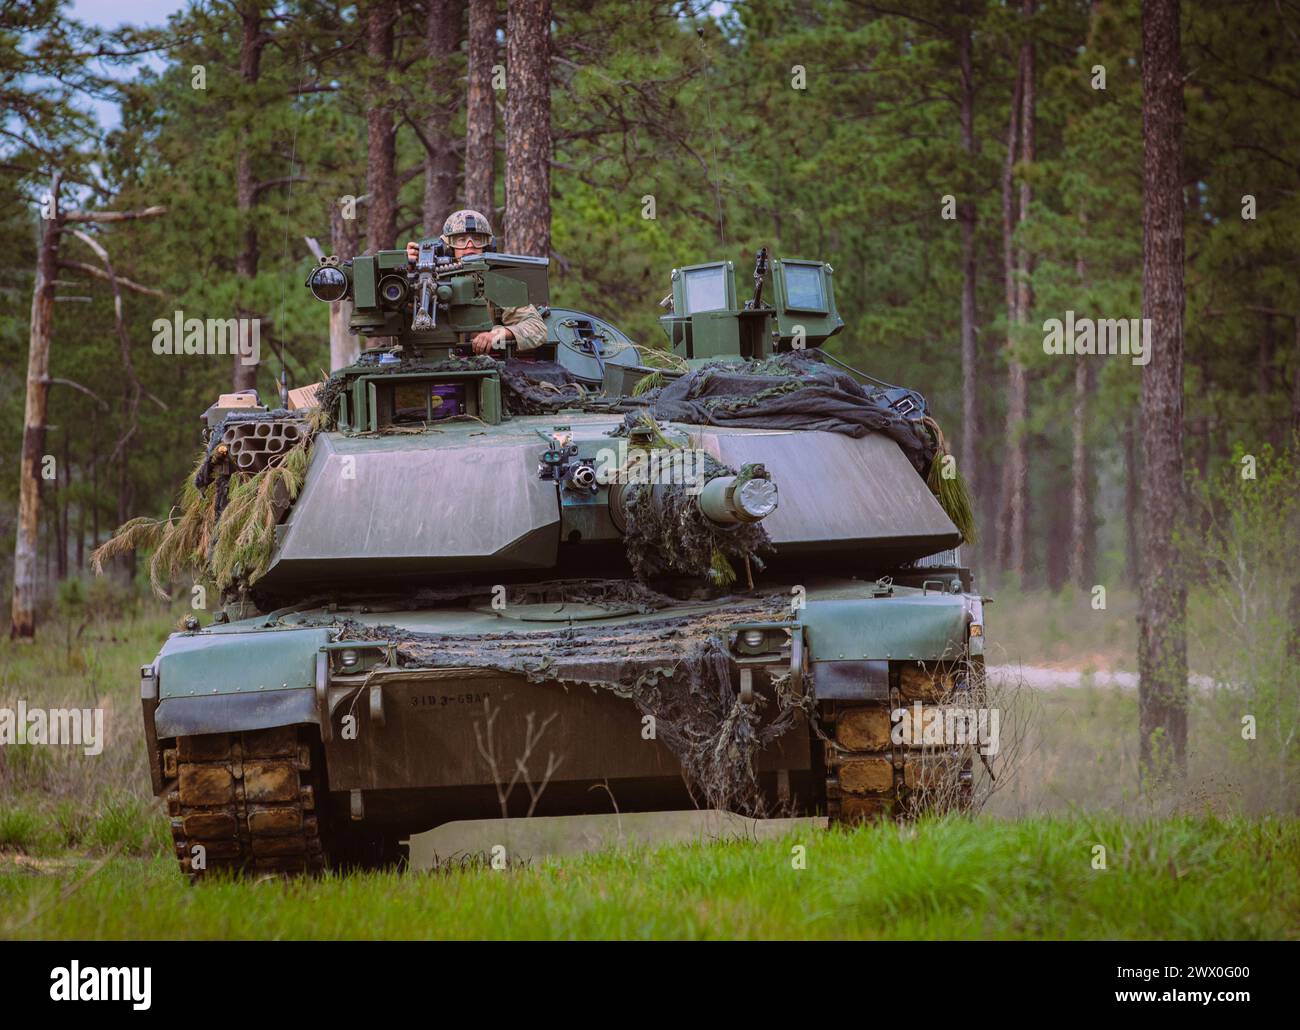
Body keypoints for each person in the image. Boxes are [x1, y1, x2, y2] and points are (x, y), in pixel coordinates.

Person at [405, 209, 548, 354]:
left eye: (477, 239)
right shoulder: (426, 278)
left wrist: (497, 334)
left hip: (483, 362)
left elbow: (537, 328)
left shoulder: (498, 282)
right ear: (447, 247)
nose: (470, 245)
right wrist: (408, 271)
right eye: (461, 240)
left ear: (488, 245)